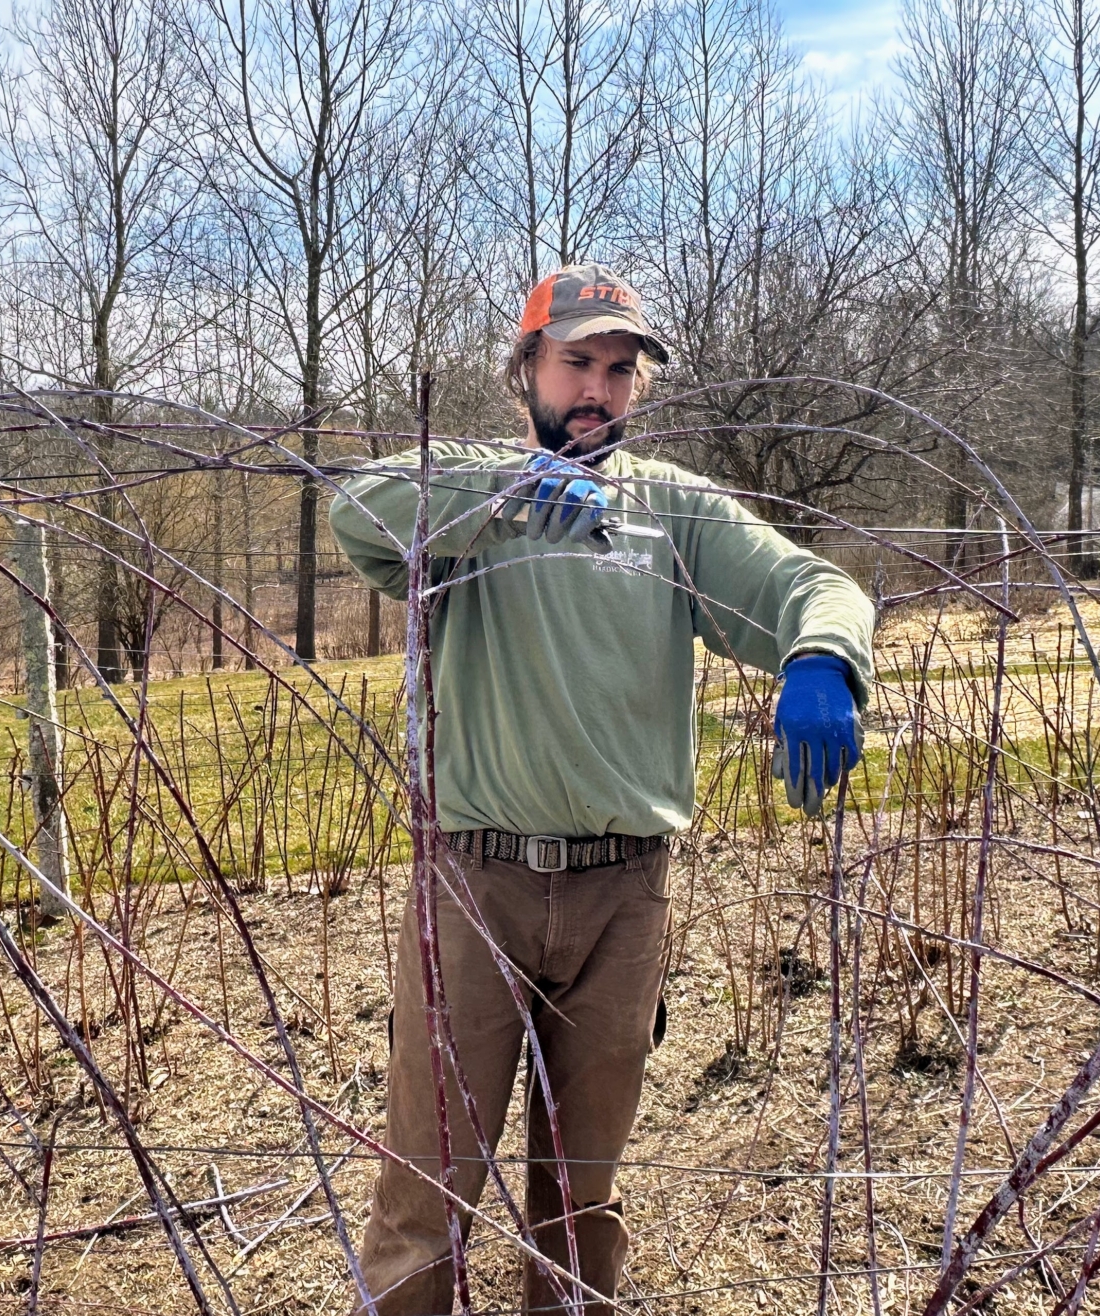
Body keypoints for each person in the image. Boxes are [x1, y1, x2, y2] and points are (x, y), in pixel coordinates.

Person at [329, 262, 874, 1314]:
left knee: (582, 1200)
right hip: (475, 888)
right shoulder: (466, 496)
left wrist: (822, 656)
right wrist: (506, 492)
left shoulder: (672, 512)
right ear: (524, 368)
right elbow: (359, 508)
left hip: (625, 897)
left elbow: (812, 582)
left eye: (620, 369)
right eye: (576, 361)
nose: (598, 389)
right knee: (426, 1188)